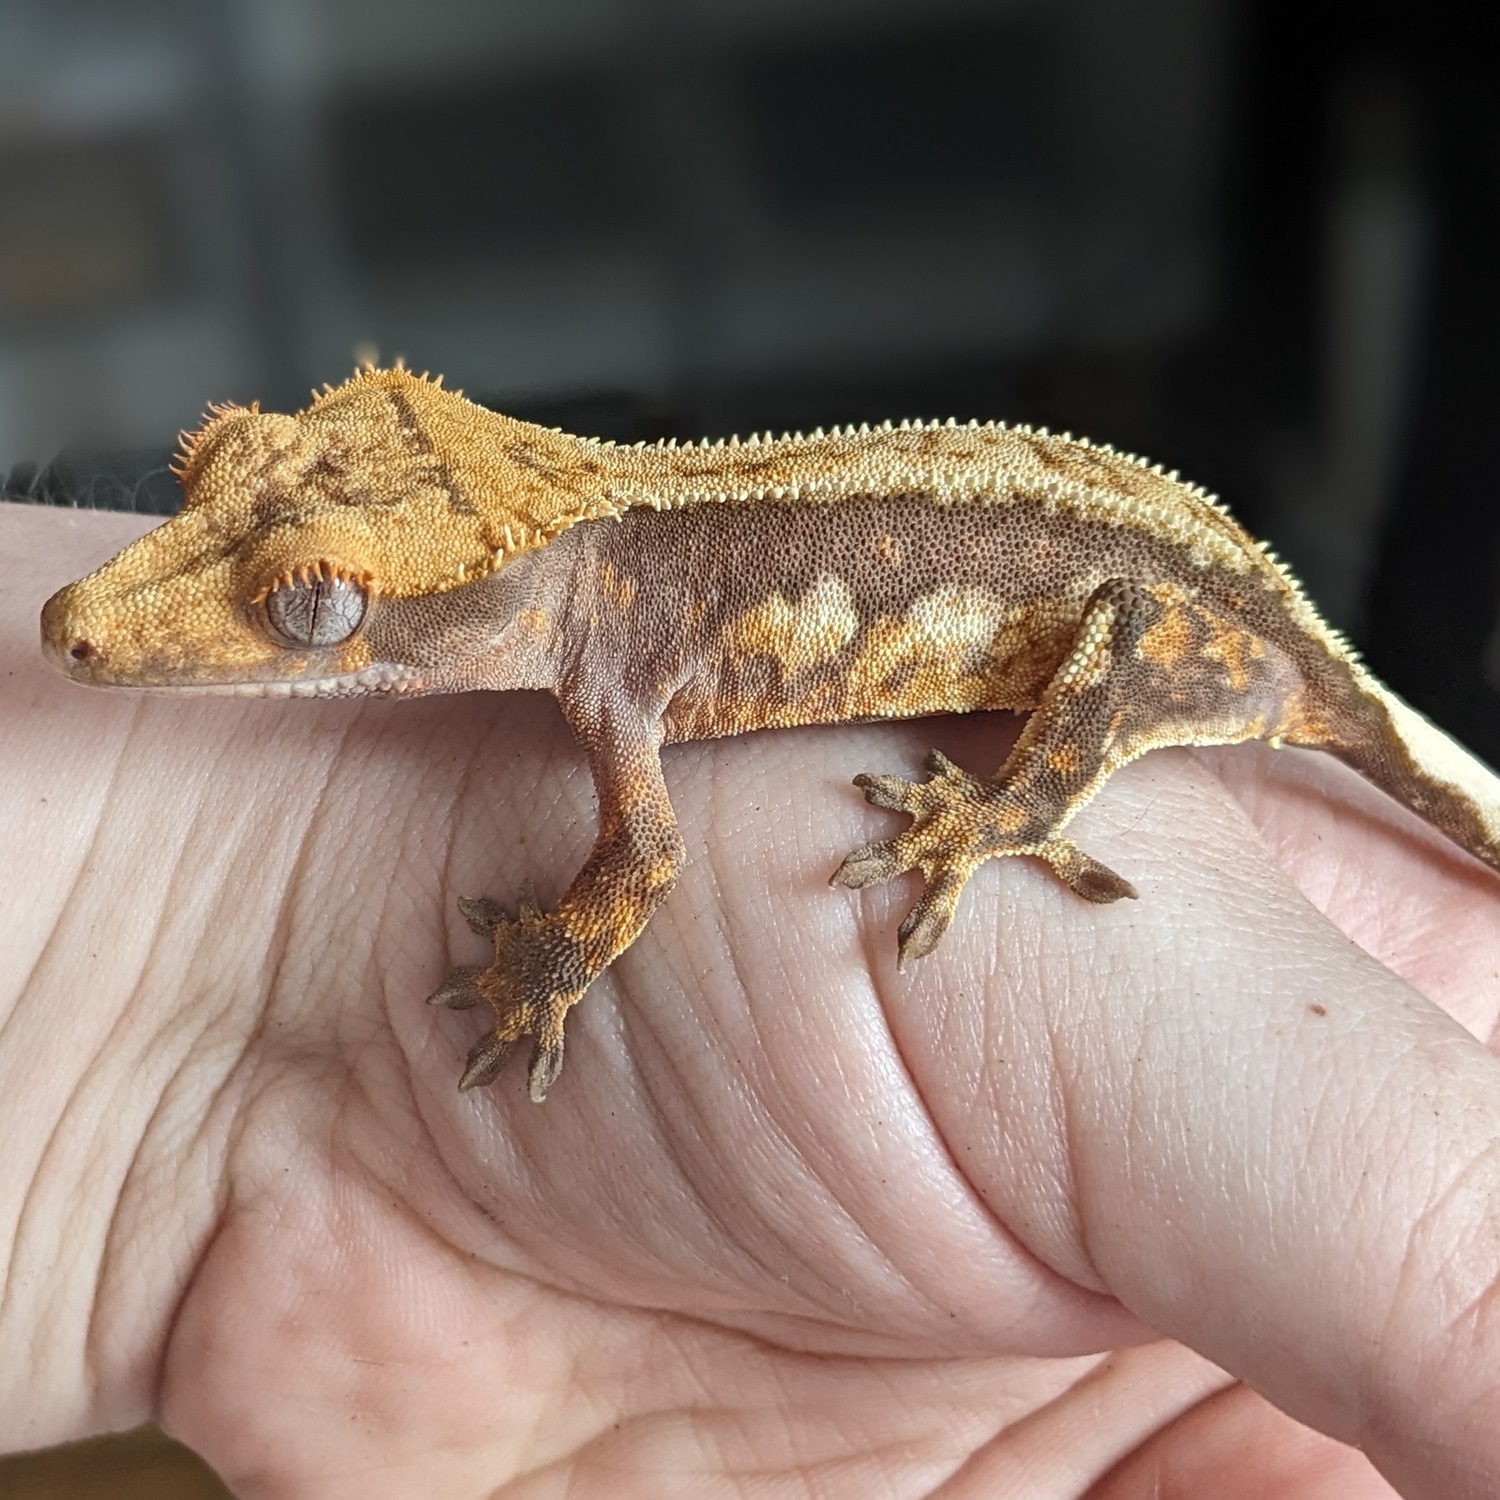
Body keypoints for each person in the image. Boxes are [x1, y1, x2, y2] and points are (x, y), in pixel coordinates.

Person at [4, 501, 1499, 1500]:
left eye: (312, 600)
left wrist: (994, 819)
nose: (99, 620)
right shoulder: (579, 604)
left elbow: (648, 853)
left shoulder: (613, 643)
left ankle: (1015, 815)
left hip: (1189, 627)